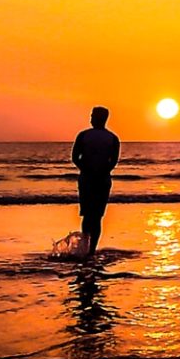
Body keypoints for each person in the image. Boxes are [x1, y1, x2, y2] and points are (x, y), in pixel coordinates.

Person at [71, 106, 120, 257]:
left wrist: (85, 169)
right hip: (102, 179)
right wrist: (103, 171)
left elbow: (74, 157)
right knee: (96, 216)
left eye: (92, 116)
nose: (90, 118)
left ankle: (87, 249)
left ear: (99, 118)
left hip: (87, 179)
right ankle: (91, 250)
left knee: (88, 215)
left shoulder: (83, 135)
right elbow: (113, 162)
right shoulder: (113, 138)